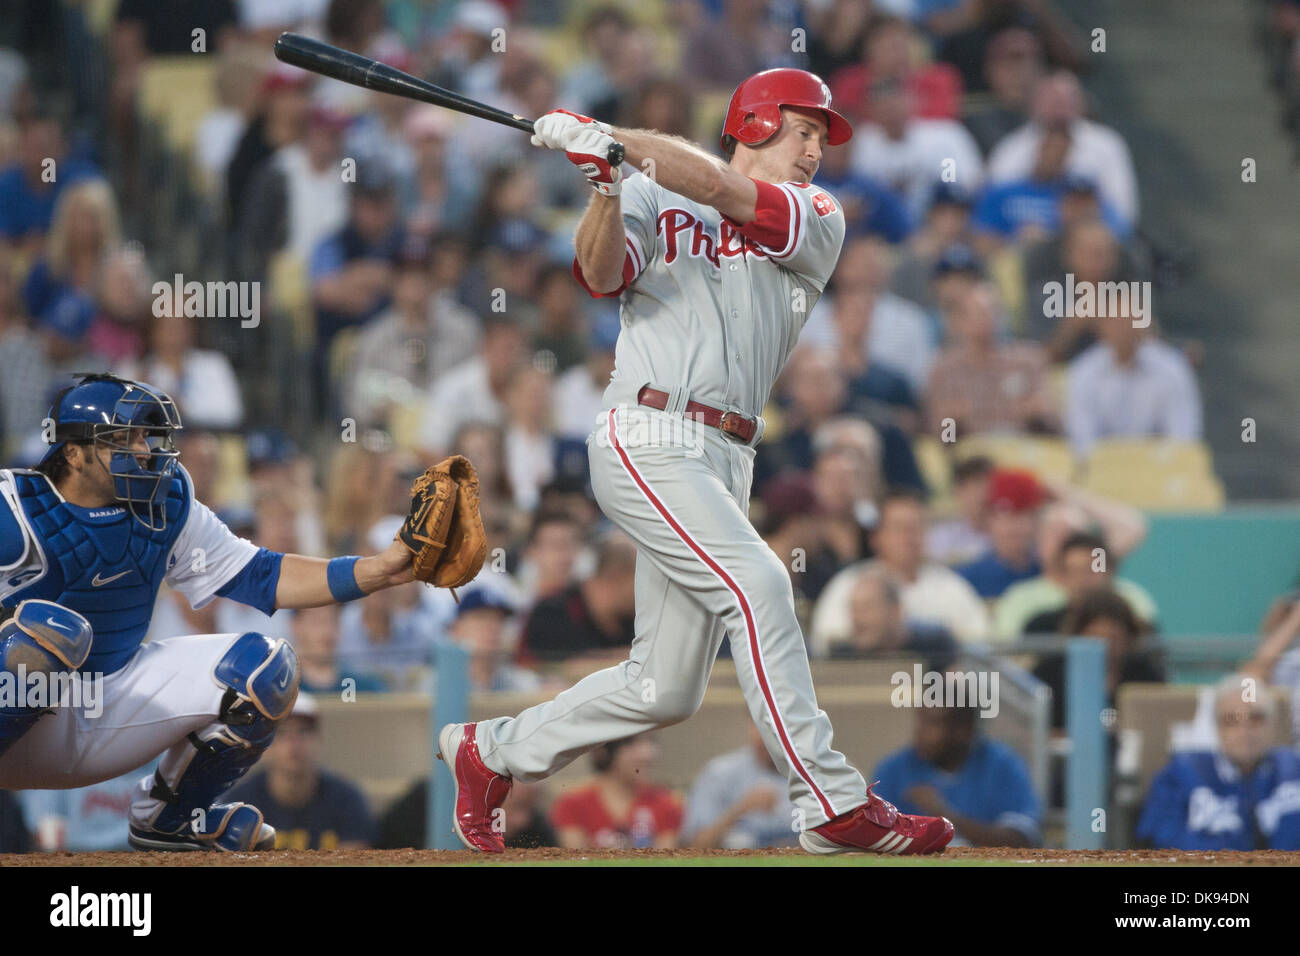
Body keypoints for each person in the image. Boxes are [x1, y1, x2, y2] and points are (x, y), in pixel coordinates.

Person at [437, 69, 954, 856]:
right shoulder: (649, 191)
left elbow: (722, 190)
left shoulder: (819, 215)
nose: (815, 149)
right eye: (802, 129)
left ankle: (491, 752)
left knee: (664, 686)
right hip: (648, 428)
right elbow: (601, 273)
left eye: (822, 136)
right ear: (752, 121)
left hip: (728, 452)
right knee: (761, 585)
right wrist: (607, 186)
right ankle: (830, 801)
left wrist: (616, 142)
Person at [0, 373, 422, 851]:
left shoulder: (164, 503)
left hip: (106, 705)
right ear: (73, 453)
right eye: (122, 439)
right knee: (49, 634)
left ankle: (168, 817)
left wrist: (379, 570)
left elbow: (261, 574)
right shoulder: (12, 508)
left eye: (145, 435)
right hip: (21, 720)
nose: (143, 450)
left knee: (264, 666)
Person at [812, 490, 991, 651]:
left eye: (916, 528)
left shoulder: (951, 587)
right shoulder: (849, 584)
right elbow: (827, 646)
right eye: (899, 528)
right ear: (876, 537)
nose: (909, 537)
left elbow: (980, 646)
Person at [1137, 675, 1300, 850]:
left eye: (1256, 718)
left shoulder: (1293, 770)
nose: (1245, 730)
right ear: (1217, 728)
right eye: (1231, 719)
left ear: (1272, 724)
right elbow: (1157, 839)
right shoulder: (1182, 773)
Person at [875, 703, 1042, 848]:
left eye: (933, 723)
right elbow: (873, 838)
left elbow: (1020, 840)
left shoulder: (1001, 765)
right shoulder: (894, 770)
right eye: (921, 721)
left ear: (964, 729)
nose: (920, 731)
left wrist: (944, 815)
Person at [224, 694, 375, 850]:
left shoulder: (347, 800)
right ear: (264, 745)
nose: (293, 743)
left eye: (303, 732)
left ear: (319, 739)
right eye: (282, 733)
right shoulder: (240, 803)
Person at [549, 735, 683, 849]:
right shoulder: (574, 803)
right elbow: (576, 858)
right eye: (631, 744)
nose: (647, 754)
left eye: (650, 742)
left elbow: (664, 857)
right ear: (605, 750)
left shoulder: (665, 802)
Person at [682, 724, 798, 849]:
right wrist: (740, 810)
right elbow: (695, 844)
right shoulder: (719, 772)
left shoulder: (810, 774)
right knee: (740, 842)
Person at [824, 564, 957, 665]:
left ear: (896, 611)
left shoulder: (935, 647)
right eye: (854, 609)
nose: (857, 619)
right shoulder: (841, 657)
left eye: (867, 608)